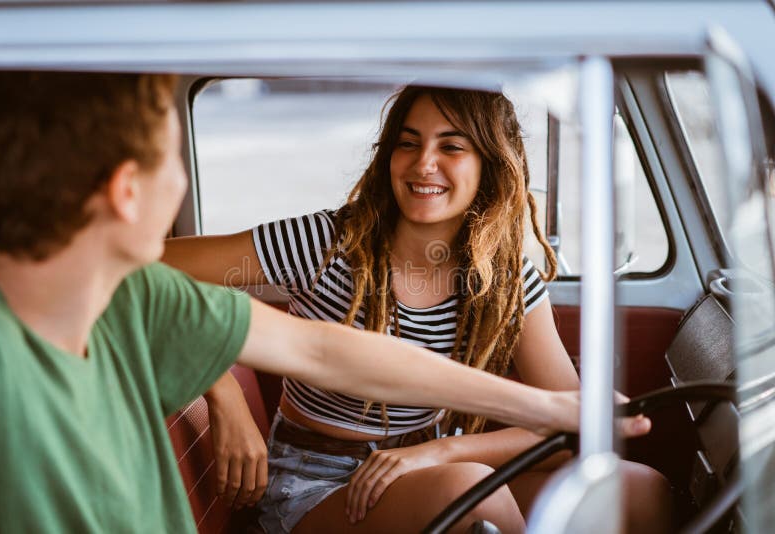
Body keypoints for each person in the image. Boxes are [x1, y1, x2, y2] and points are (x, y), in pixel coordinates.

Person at [162, 85, 672, 533]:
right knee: (470, 492)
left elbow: (570, 430)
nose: (424, 163)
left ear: (490, 164)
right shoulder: (323, 242)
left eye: (451, 146)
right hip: (316, 484)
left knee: (636, 491)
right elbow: (147, 268)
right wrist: (221, 388)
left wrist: (439, 451)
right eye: (408, 143)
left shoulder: (504, 278)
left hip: (431, 464)